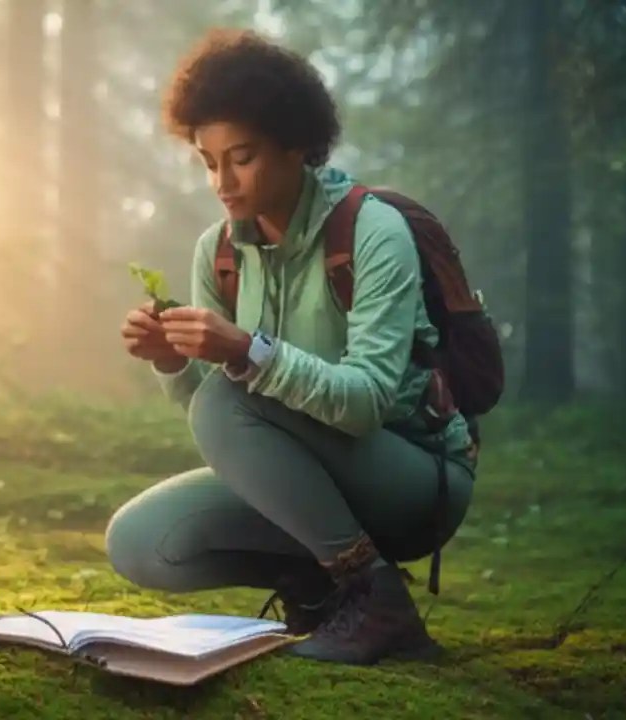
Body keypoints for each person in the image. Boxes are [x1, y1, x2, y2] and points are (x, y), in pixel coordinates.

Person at [106, 28, 477, 665]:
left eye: (241, 157)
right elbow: (217, 420)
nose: (222, 181)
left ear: (297, 143)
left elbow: (364, 404)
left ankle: (377, 597)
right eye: (207, 160)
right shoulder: (218, 252)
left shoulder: (372, 231)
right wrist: (172, 362)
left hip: (413, 478)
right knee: (140, 542)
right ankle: (322, 591)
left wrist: (249, 349)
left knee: (233, 392)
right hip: (314, 488)